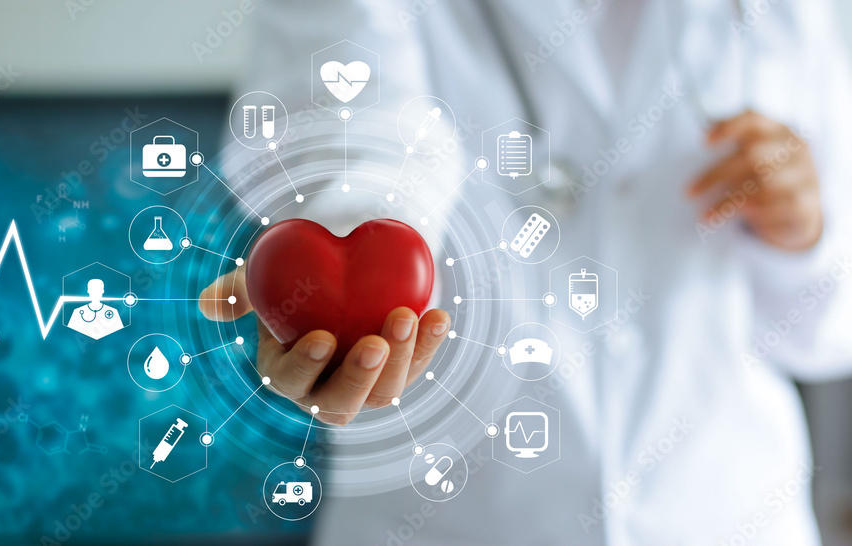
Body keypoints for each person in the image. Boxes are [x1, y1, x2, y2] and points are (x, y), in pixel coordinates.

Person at [201, 1, 852, 543]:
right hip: (452, 518)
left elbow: (827, 337)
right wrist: (339, 254)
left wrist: (805, 233)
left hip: (727, 510)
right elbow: (353, 132)